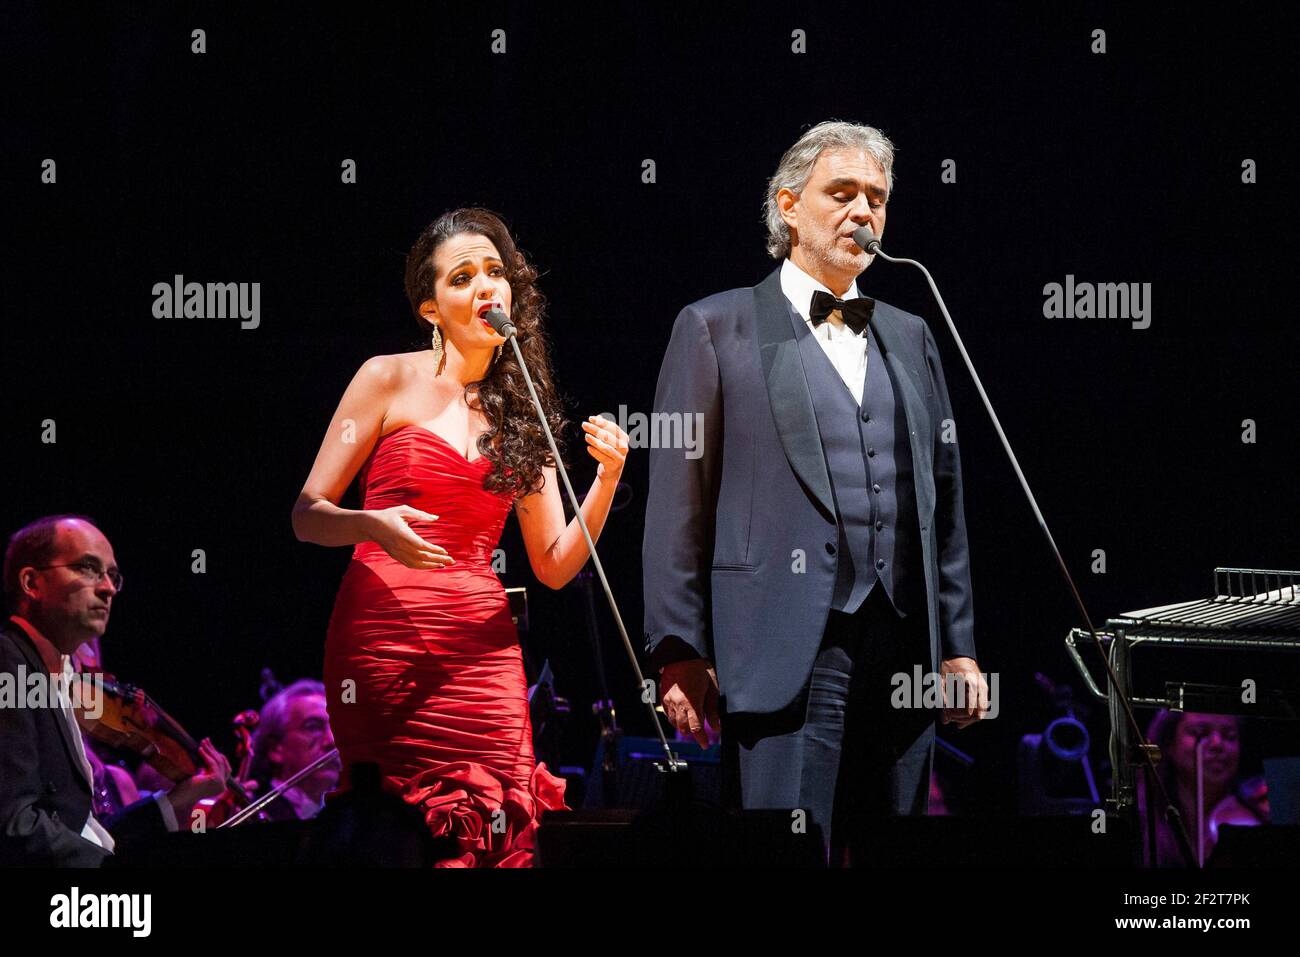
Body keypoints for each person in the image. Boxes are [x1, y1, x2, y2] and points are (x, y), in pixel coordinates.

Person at [643, 121, 989, 863]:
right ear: (789, 205)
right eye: (843, 193)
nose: (863, 211)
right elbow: (677, 499)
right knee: (786, 851)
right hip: (778, 644)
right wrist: (679, 647)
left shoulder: (912, 332)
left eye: (877, 197)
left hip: (903, 648)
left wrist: (957, 648)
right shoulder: (714, 325)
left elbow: (945, 504)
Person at [292, 207, 629, 867]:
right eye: (463, 277)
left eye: (496, 272)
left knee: (500, 818)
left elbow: (555, 565)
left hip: (482, 658)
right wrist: (371, 526)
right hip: (384, 641)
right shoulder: (386, 378)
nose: (486, 288)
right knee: (395, 827)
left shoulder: (520, 408)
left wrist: (607, 479)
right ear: (431, 308)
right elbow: (307, 513)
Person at [0, 515, 230, 866]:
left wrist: (180, 798)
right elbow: (12, 825)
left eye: (112, 575)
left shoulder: (57, 678)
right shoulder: (8, 663)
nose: (107, 588)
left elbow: (89, 835)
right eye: (88, 568)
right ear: (31, 582)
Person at [1137, 710, 1268, 867]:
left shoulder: (1257, 812)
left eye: (1229, 736)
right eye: (1199, 733)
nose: (1217, 744)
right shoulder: (1142, 819)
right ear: (1168, 744)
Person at [244, 679, 339, 821]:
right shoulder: (252, 814)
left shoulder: (350, 814)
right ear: (276, 748)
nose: (332, 741)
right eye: (313, 727)